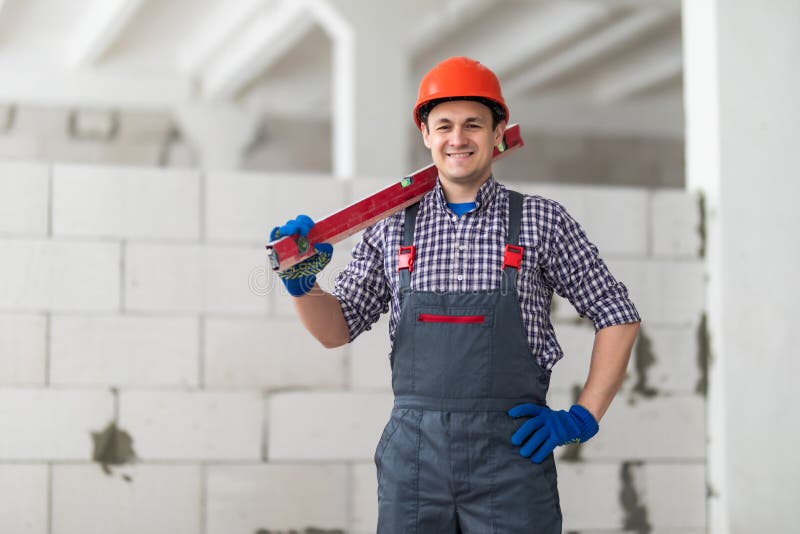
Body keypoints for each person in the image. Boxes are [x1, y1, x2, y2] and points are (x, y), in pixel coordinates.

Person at [270, 56, 641, 533]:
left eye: (473, 124)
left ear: (497, 130)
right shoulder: (391, 228)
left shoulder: (541, 221)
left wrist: (582, 416)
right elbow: (336, 329)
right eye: (443, 125)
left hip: (510, 459)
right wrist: (303, 285)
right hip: (414, 464)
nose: (458, 138)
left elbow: (617, 314)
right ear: (426, 134)